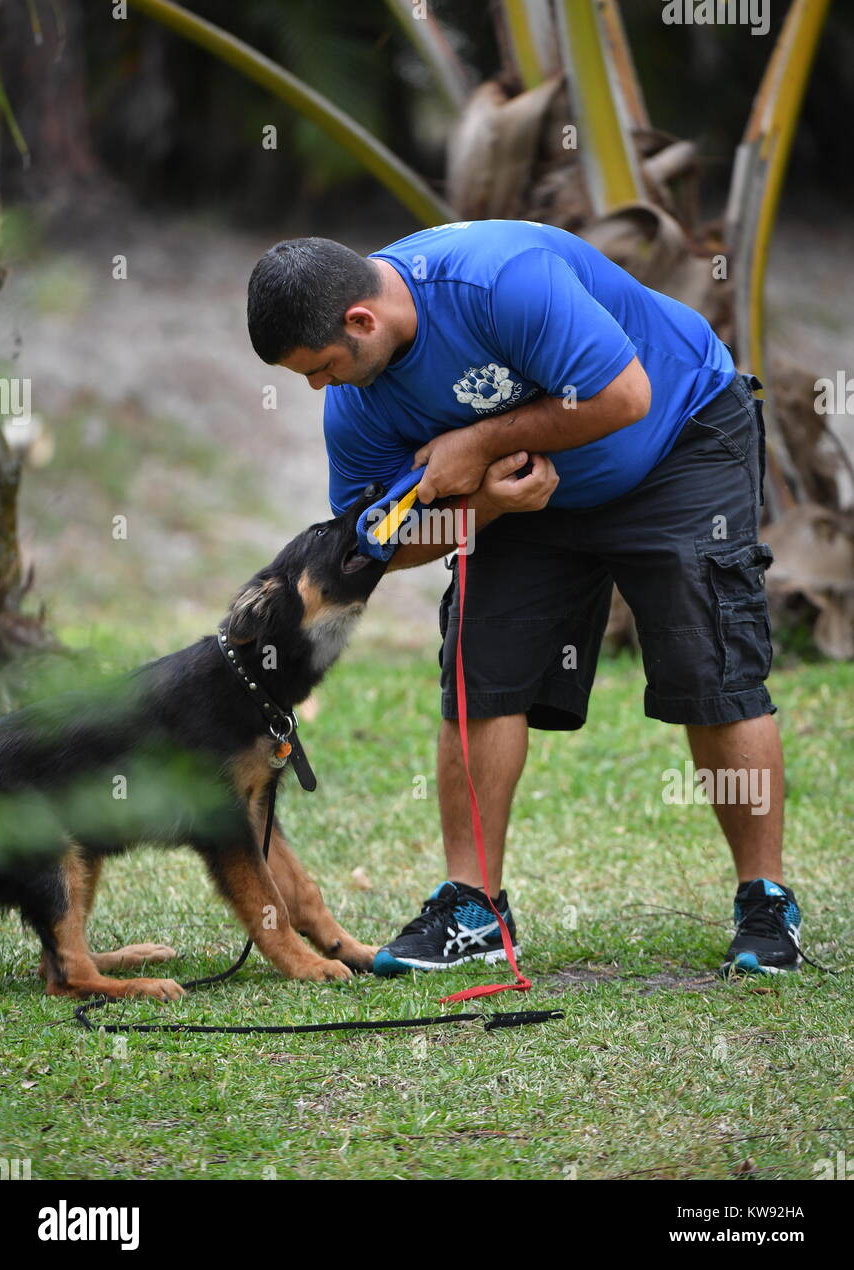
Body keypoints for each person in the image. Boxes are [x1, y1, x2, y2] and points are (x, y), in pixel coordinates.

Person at [246, 219, 802, 980]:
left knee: (712, 671)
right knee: (483, 672)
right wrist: (489, 509)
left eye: (322, 367)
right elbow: (372, 544)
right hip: (526, 498)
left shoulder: (501, 281)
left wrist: (474, 447)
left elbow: (624, 394)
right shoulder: (358, 403)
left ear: (362, 320)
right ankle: (472, 908)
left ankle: (765, 902)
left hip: (679, 437)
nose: (318, 388)